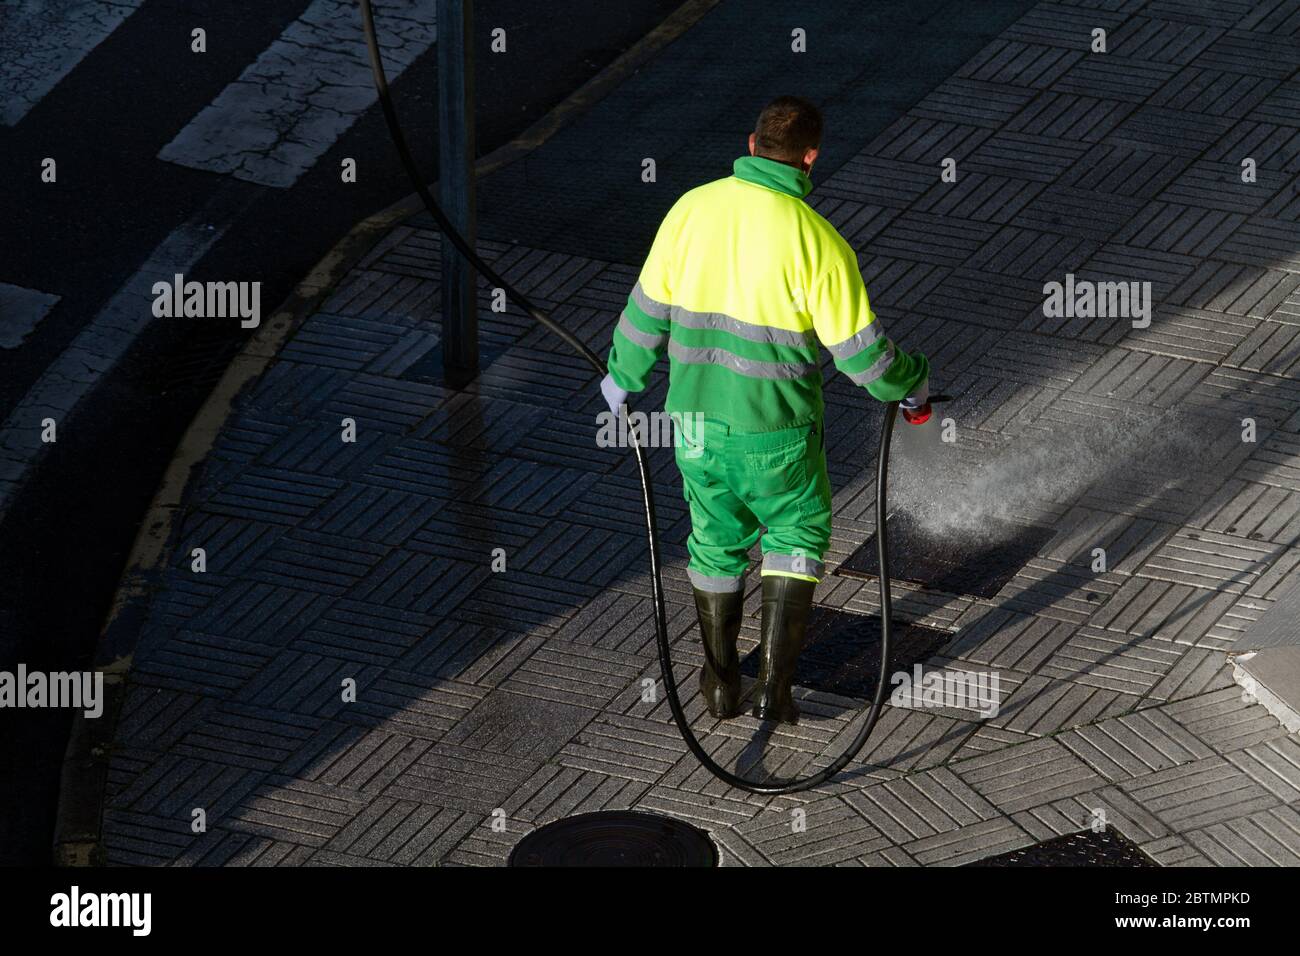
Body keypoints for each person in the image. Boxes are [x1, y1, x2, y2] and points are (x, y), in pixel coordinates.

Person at [600, 95, 929, 724]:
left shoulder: (690, 210)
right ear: (810, 158)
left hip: (692, 424)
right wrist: (911, 384)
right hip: (775, 432)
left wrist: (621, 380)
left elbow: (645, 312)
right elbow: (865, 360)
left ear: (751, 145)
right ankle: (775, 690)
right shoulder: (818, 242)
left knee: (714, 545)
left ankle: (721, 684)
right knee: (796, 537)